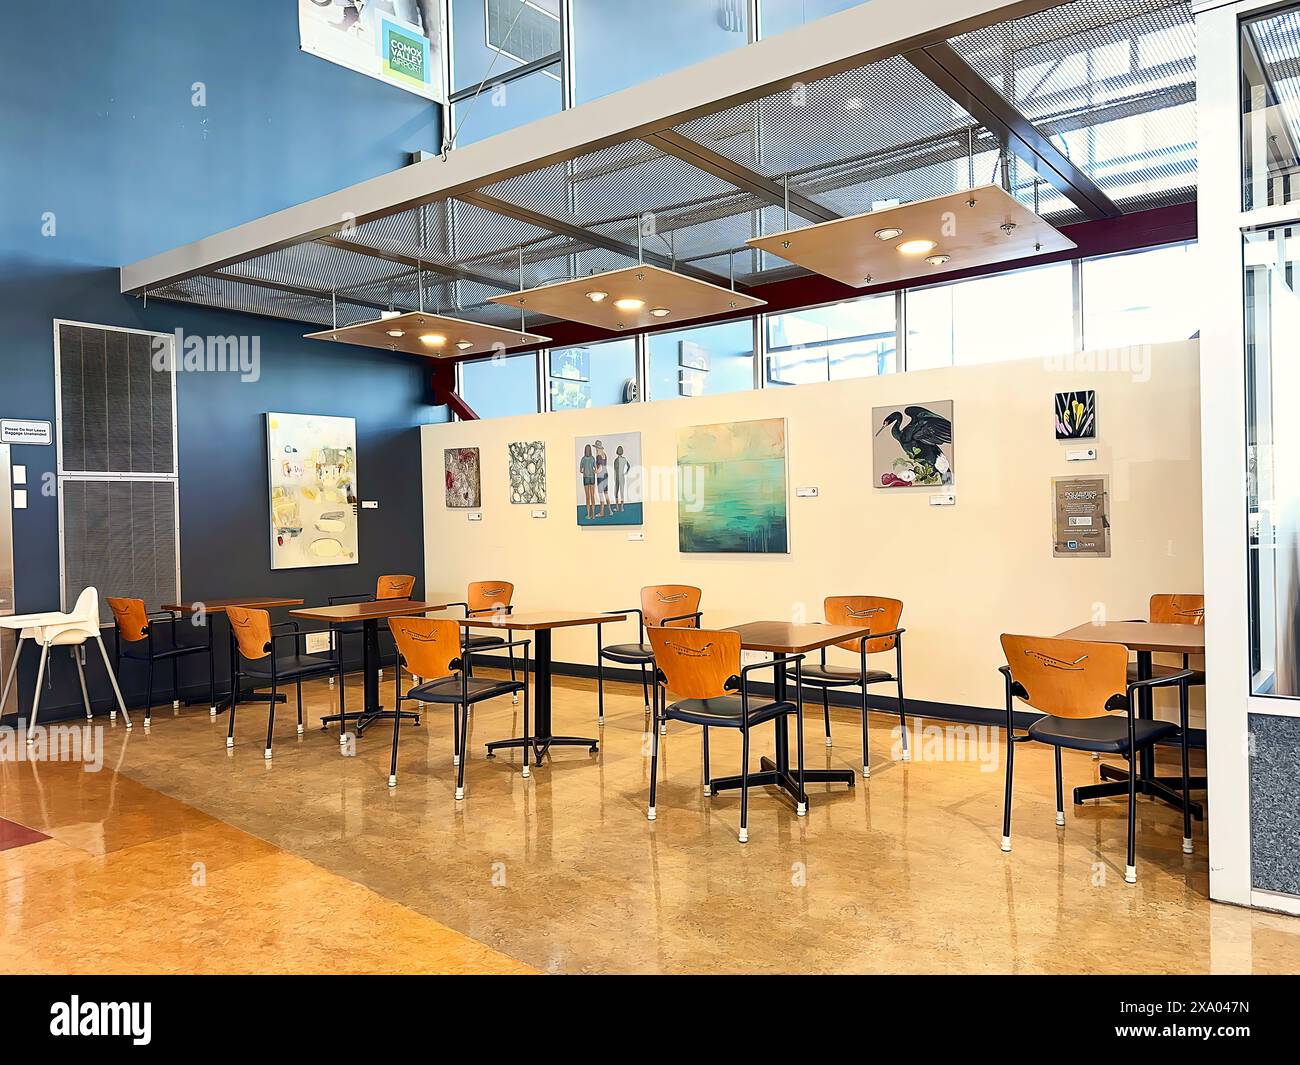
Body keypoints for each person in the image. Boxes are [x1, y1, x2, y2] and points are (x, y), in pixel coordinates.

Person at [579, 444, 597, 520]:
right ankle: (593, 515)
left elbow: (580, 470)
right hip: (592, 477)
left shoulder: (583, 459)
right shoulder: (593, 458)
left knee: (587, 497)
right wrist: (592, 471)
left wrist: (585, 471)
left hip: (586, 478)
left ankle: (588, 515)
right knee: (592, 496)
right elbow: (595, 469)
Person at [594, 440, 611, 519]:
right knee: (606, 493)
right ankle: (610, 510)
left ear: (597, 448)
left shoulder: (598, 456)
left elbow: (599, 468)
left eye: (596, 448)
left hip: (600, 475)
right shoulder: (604, 454)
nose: (596, 449)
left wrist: (594, 471)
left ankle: (602, 512)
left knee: (601, 494)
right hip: (606, 474)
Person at [613, 445, 630, 512]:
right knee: (622, 492)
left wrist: (615, 478)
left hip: (617, 477)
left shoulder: (616, 460)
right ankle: (622, 507)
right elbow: (629, 466)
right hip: (622, 477)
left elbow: (615, 470)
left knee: (616, 492)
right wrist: (625, 473)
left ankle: (617, 507)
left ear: (617, 452)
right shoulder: (624, 459)